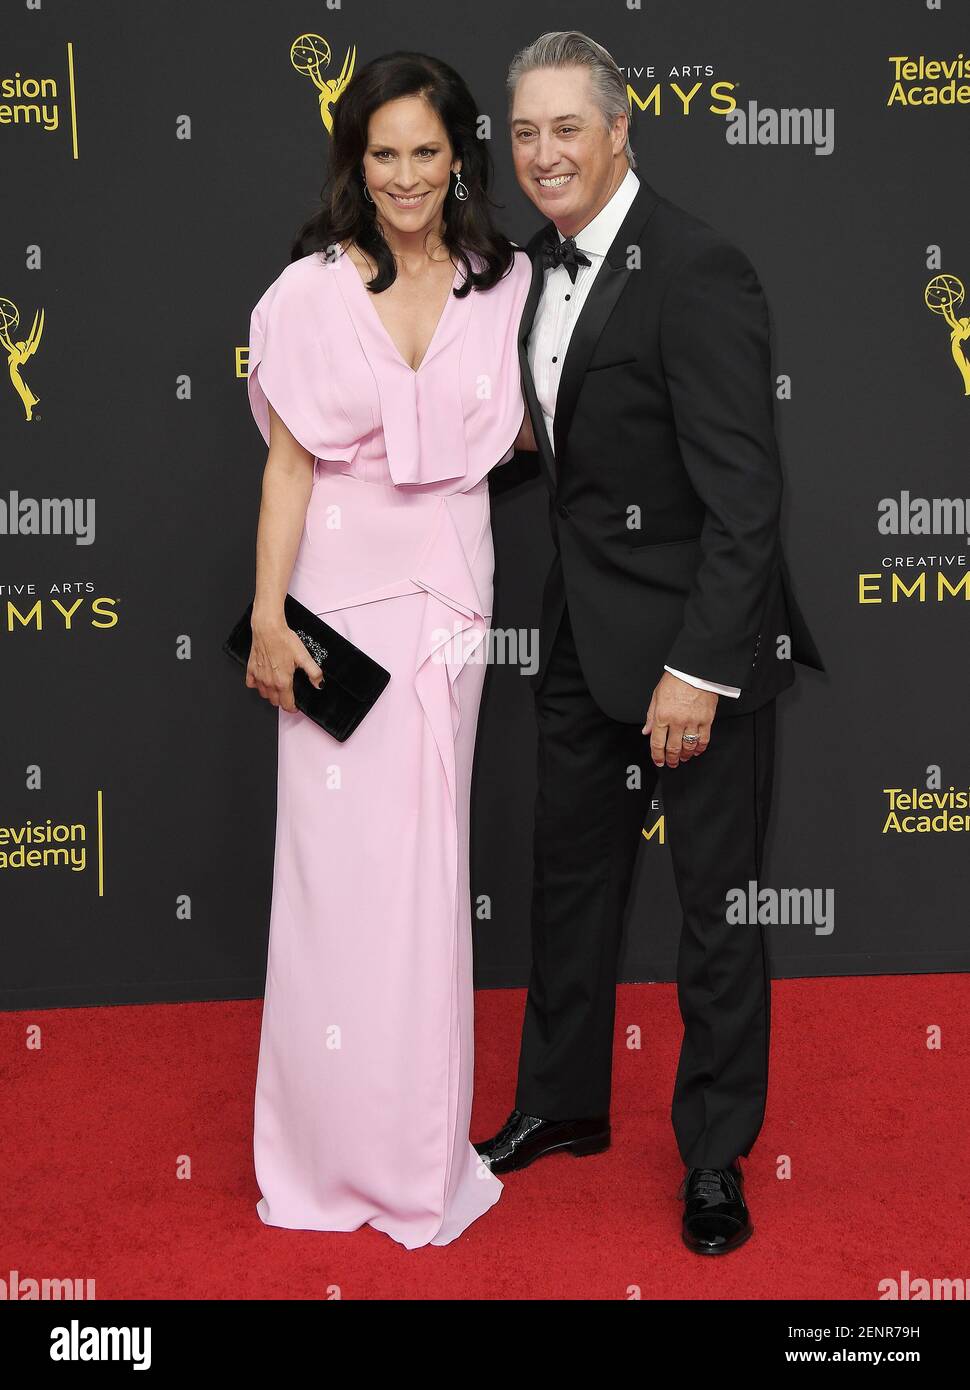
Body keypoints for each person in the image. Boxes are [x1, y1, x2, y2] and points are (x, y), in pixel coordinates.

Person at [476, 31, 825, 1255]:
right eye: (522, 133)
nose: (542, 153)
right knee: (567, 886)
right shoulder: (522, 273)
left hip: (696, 649)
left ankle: (716, 1156)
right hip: (578, 633)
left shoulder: (698, 267)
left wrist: (700, 668)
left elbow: (745, 496)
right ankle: (561, 1106)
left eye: (565, 128)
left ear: (620, 130)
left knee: (716, 909)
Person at [243, 50, 533, 1249]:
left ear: (456, 152)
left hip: (446, 618)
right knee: (330, 890)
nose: (405, 176)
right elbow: (289, 464)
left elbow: (525, 426)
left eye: (425, 151)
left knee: (421, 887)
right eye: (382, 154)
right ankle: (319, 1160)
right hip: (334, 622)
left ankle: (418, 1156)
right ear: (352, 162)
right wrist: (266, 618)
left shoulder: (499, 281)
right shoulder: (306, 292)